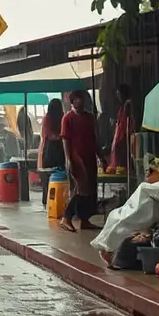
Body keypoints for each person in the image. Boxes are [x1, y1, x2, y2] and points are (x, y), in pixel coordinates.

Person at [59, 89, 101, 232]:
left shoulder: (89, 118)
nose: (81, 102)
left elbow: (94, 139)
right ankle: (66, 217)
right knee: (81, 189)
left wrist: (100, 156)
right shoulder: (67, 118)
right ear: (72, 101)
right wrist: (68, 159)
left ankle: (84, 219)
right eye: (78, 99)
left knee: (89, 190)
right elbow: (65, 139)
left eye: (82, 99)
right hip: (76, 158)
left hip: (90, 157)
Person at [40, 98, 66, 173]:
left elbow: (46, 134)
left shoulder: (47, 118)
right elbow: (50, 135)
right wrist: (61, 137)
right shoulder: (60, 117)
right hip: (57, 148)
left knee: (50, 174)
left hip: (50, 151)